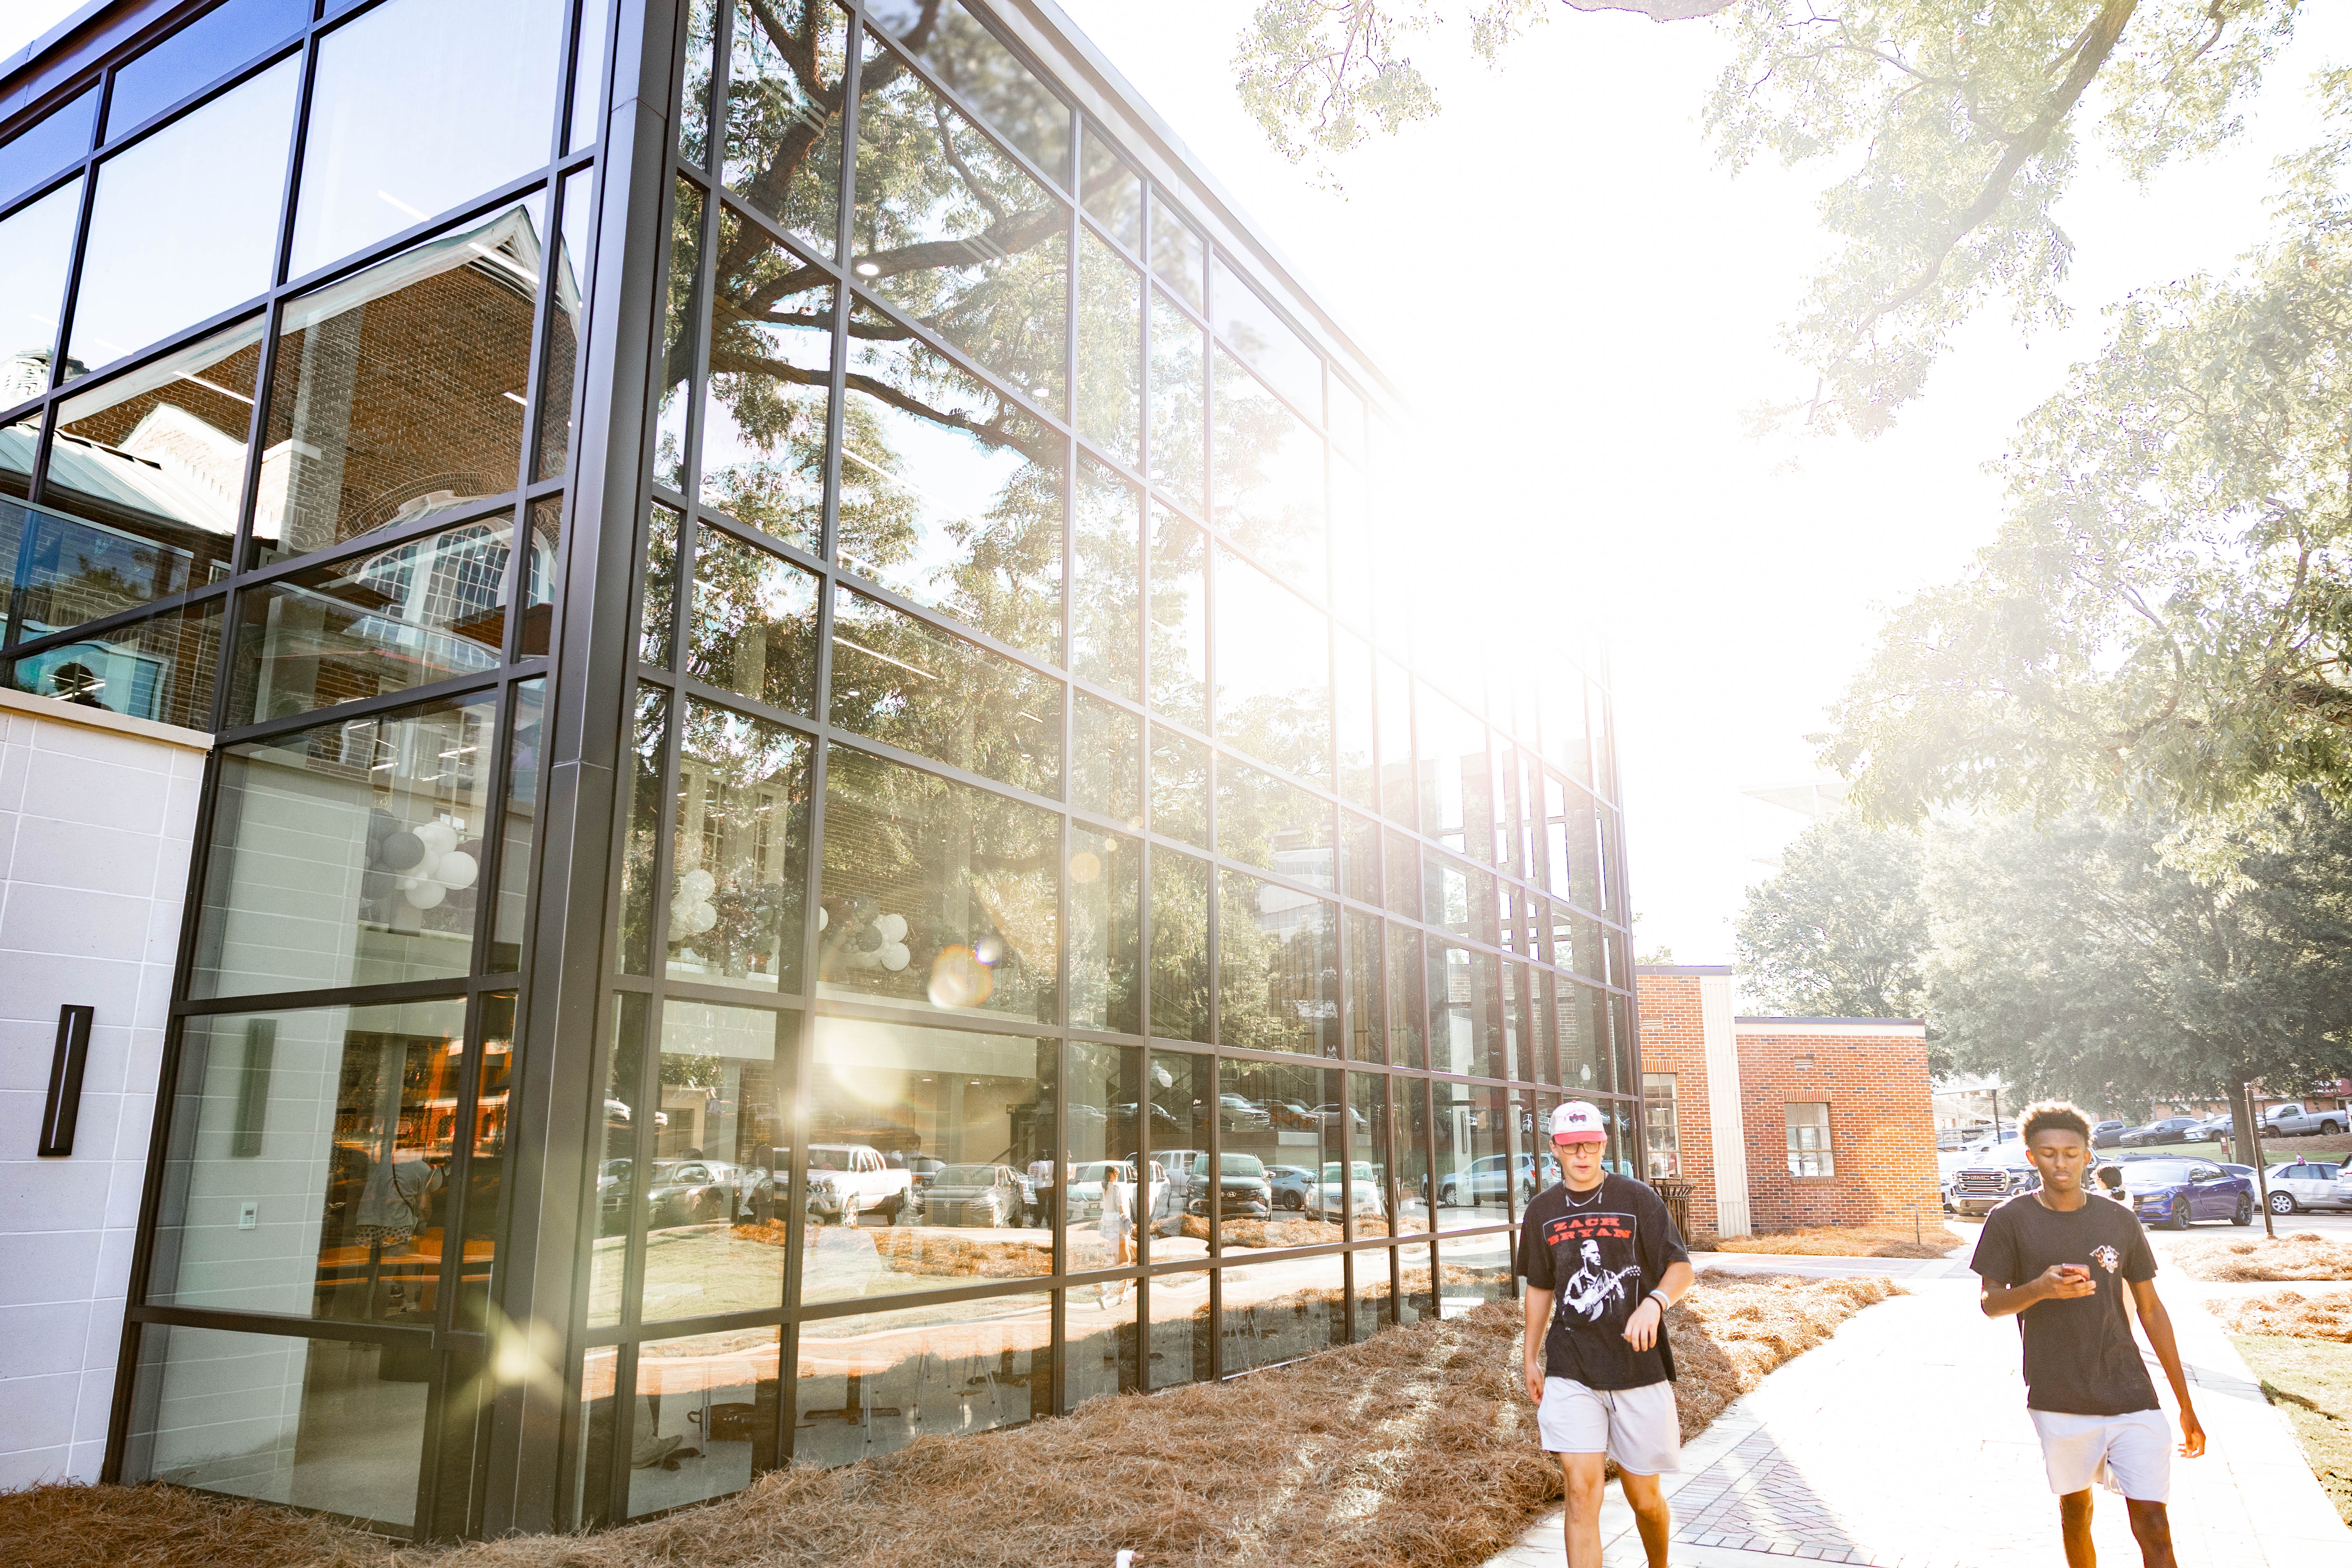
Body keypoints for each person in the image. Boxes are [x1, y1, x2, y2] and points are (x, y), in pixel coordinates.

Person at [1973, 1101, 2205, 1568]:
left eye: (2071, 1153)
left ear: (2087, 1155)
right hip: (2059, 1393)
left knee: (2155, 1526)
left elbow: (2152, 1309)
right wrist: (2039, 1289)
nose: (2061, 1163)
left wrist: (2185, 1404)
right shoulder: (2009, 1218)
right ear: (2031, 1156)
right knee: (2076, 1514)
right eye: (2048, 1153)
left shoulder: (2119, 1219)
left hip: (2131, 1390)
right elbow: (1991, 1303)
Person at [1519, 1100, 1695, 1568]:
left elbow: (1681, 1268)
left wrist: (1654, 1303)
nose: (1582, 1154)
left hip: (1637, 1365)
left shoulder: (1638, 1199)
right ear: (1555, 1148)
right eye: (1571, 1145)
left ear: (1604, 1144)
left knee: (1645, 1500)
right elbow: (1540, 1287)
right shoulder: (1542, 1211)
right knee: (1581, 1492)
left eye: (1591, 1144)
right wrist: (1530, 1357)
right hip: (1571, 1367)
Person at [1096, 1163, 1134, 1307]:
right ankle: (1105, 1290)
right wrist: (1128, 1222)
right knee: (1126, 1261)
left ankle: (1121, 1295)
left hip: (1108, 1227)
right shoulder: (1116, 1187)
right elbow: (1121, 1209)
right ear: (1112, 1175)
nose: (1118, 1176)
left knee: (1121, 1262)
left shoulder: (1105, 1187)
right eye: (1117, 1174)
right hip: (1117, 1227)